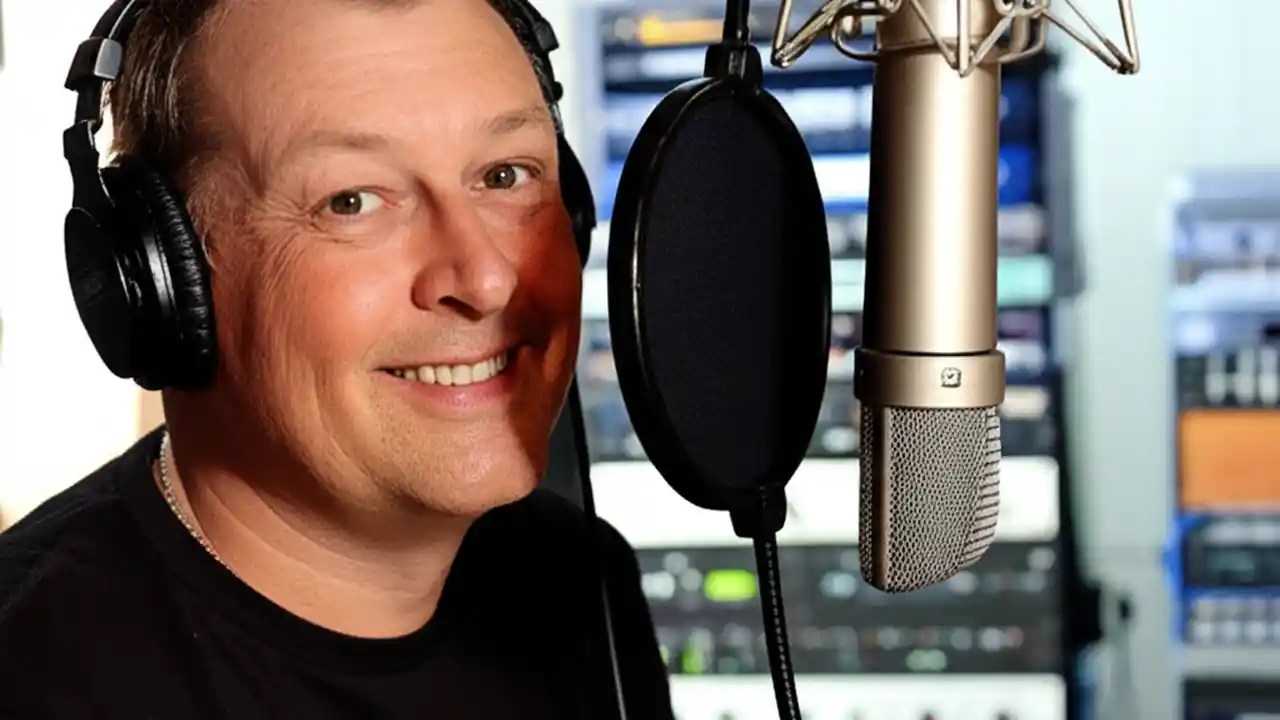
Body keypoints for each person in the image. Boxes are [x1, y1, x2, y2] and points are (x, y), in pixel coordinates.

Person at [0, 0, 675, 717]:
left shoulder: (577, 581)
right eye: (351, 201)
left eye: (505, 175)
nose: (485, 280)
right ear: (158, 278)